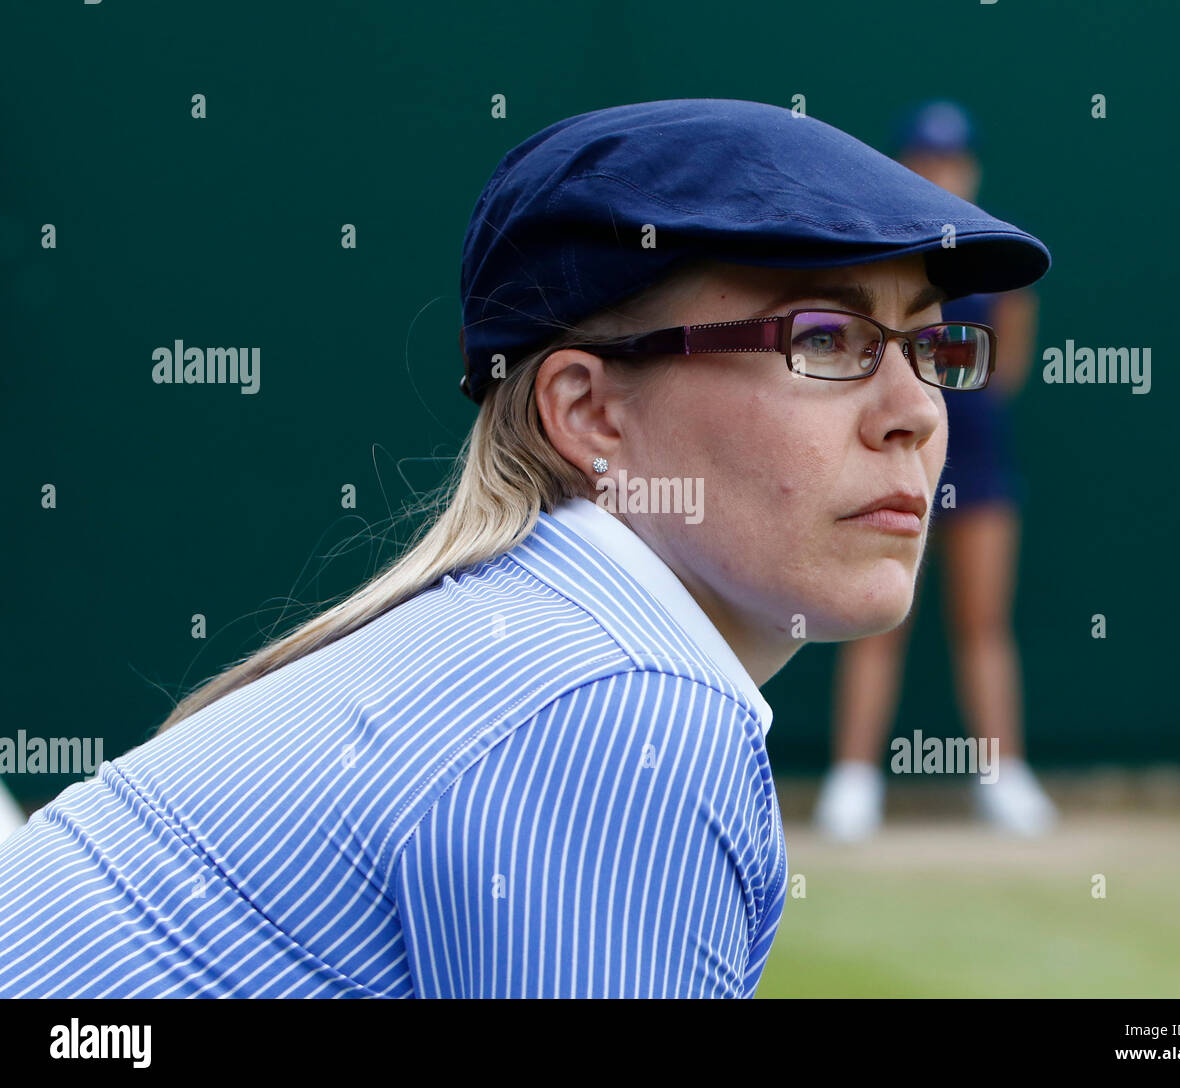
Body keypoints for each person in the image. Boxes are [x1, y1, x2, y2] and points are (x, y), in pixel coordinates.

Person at [0, 98, 1049, 997]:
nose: (915, 408)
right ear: (588, 413)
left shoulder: (539, 646)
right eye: (824, 337)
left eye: (930, 343)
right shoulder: (619, 703)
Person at [813, 100, 1058, 840]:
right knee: (876, 620)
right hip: (894, 452)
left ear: (971, 168)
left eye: (952, 160)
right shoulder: (882, 257)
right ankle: (852, 783)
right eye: (926, 159)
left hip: (979, 463)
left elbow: (1004, 370)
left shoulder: (1003, 266)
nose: (940, 172)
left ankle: (1002, 778)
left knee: (983, 622)